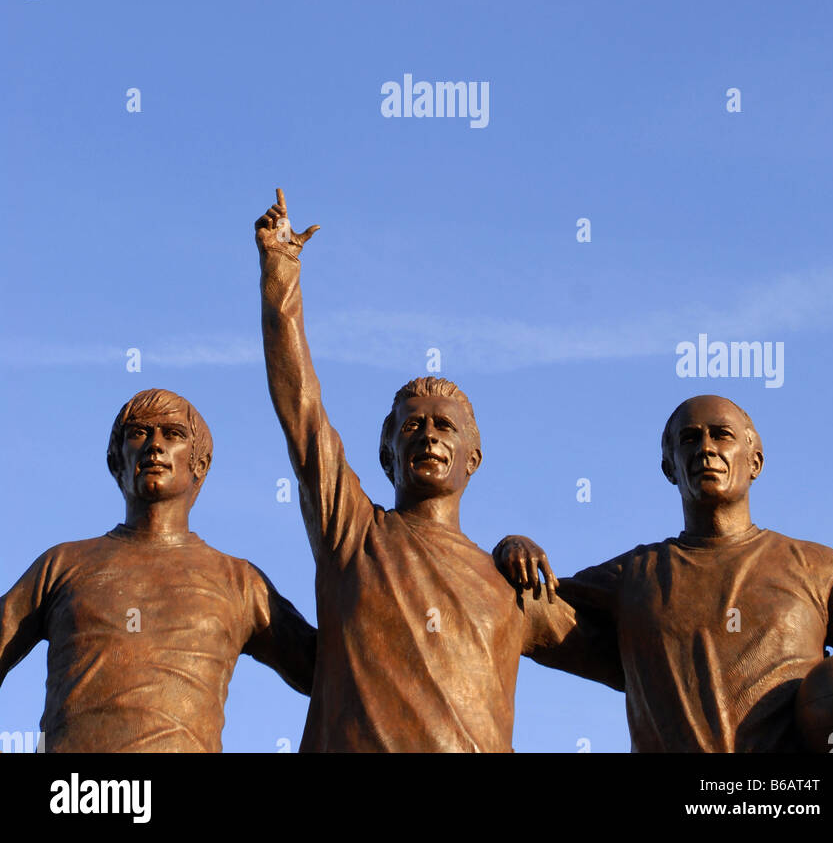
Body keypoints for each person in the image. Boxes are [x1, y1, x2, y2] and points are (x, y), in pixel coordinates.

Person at [256, 189, 620, 753]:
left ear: (473, 458)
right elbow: (301, 410)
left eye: (445, 427)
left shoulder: (510, 586)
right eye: (411, 426)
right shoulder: (352, 535)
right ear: (386, 455)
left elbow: (641, 662)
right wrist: (281, 271)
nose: (428, 434)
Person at [495, 394, 833, 752]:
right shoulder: (636, 576)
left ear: (755, 461)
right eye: (690, 438)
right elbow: (525, 607)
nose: (706, 448)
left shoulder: (819, 568)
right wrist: (509, 548)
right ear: (669, 468)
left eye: (721, 434)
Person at [0, 387, 316, 752]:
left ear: (199, 463)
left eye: (173, 434)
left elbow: (335, 671)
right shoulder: (61, 566)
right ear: (116, 462)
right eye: (139, 432)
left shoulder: (240, 583)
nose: (154, 445)